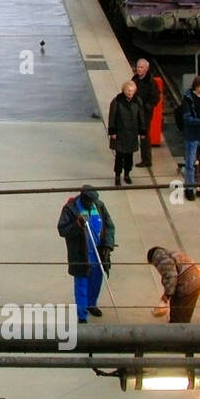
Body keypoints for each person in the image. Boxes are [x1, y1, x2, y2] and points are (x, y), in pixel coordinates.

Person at [57, 186, 115, 322]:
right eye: (89, 201)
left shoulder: (99, 206)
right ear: (83, 198)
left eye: (94, 201)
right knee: (81, 285)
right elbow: (62, 230)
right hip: (81, 254)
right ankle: (82, 315)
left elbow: (109, 226)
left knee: (96, 282)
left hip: (99, 253)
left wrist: (108, 244)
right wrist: (77, 225)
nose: (92, 204)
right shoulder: (70, 209)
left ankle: (91, 304)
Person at [146, 245, 200, 322]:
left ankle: (178, 331)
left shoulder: (161, 260)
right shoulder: (171, 253)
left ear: (153, 260)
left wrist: (167, 295)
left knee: (179, 315)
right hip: (196, 281)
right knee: (181, 311)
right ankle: (179, 328)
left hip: (188, 285)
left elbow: (171, 276)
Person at [107, 79, 144, 186]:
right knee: (119, 156)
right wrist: (112, 131)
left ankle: (127, 174)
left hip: (132, 134)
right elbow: (112, 117)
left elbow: (141, 117)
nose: (130, 93)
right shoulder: (117, 101)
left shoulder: (138, 101)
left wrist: (142, 131)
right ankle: (117, 176)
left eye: (132, 91)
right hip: (120, 133)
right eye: (128, 90)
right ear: (124, 90)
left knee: (129, 156)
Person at [131, 58, 162, 168]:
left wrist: (147, 107)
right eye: (138, 67)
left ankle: (146, 160)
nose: (139, 69)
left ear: (146, 69)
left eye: (141, 67)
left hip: (145, 113)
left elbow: (156, 97)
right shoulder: (135, 79)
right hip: (135, 110)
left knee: (144, 135)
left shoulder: (151, 82)